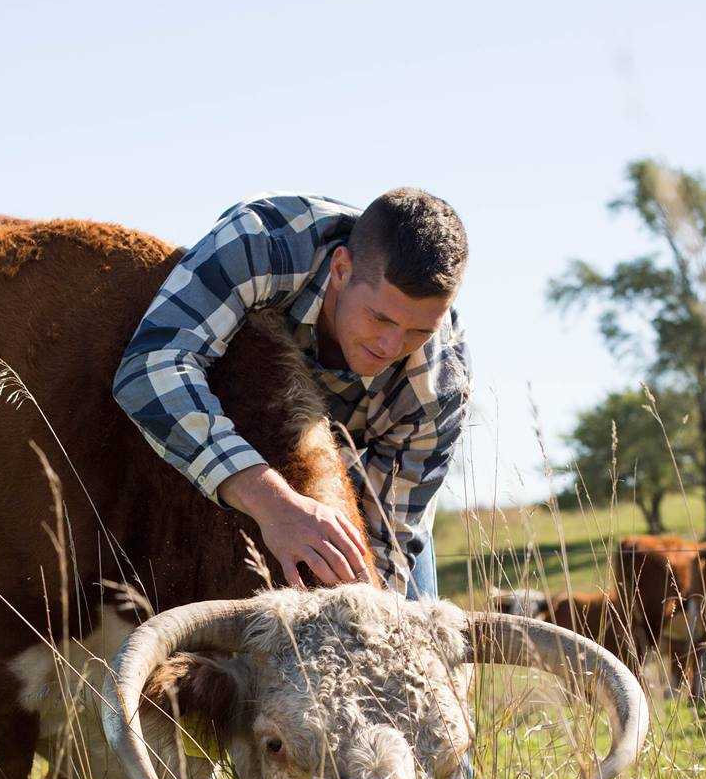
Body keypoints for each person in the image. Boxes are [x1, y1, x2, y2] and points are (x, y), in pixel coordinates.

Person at [113, 189, 471, 601]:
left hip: (356, 479)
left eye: (418, 331)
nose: (391, 347)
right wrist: (274, 504)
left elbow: (389, 538)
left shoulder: (440, 383)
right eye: (379, 317)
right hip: (229, 442)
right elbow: (149, 368)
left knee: (411, 627)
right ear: (341, 268)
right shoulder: (261, 245)